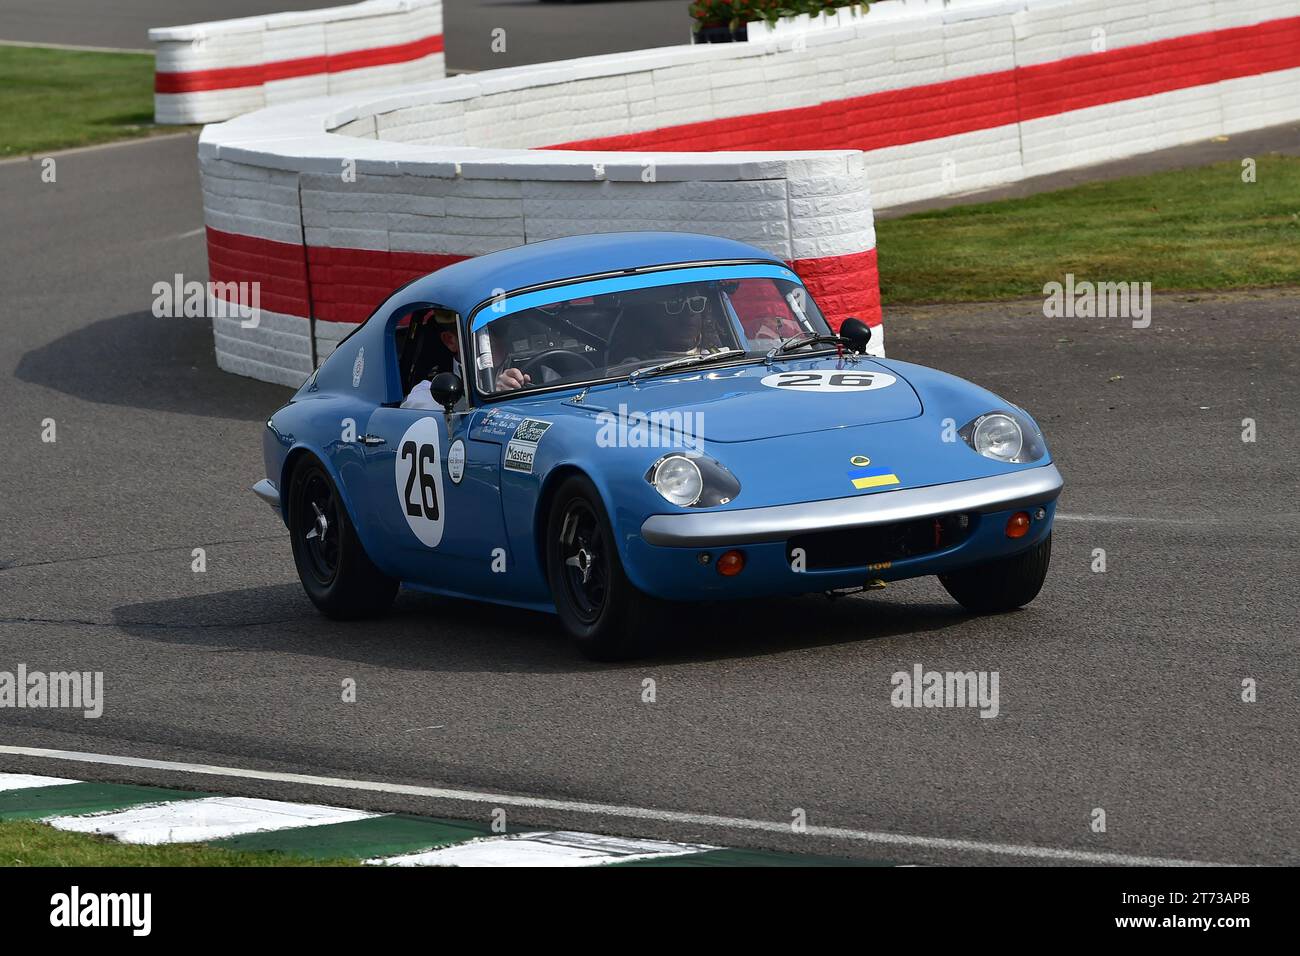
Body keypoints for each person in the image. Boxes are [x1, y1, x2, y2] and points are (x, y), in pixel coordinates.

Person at [402, 310, 529, 408]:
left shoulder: (536, 370)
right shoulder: (426, 396)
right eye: (488, 331)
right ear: (451, 341)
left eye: (504, 328)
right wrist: (495, 399)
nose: (503, 339)